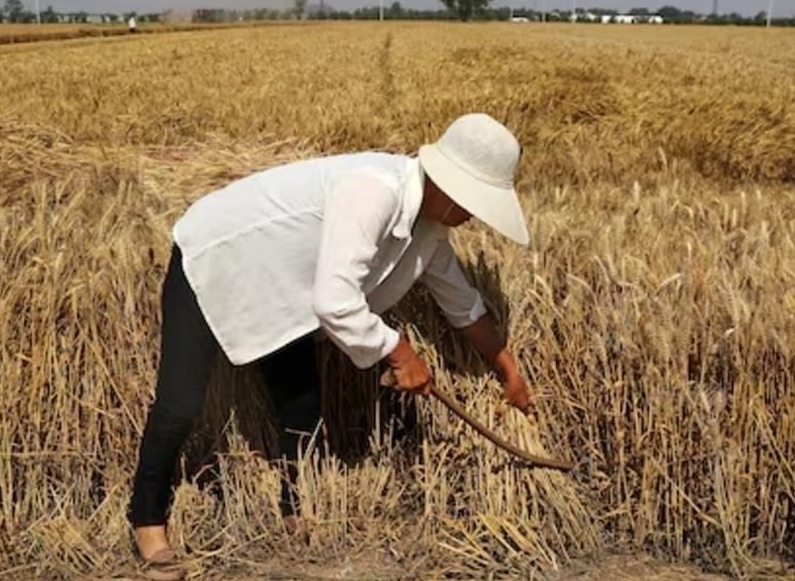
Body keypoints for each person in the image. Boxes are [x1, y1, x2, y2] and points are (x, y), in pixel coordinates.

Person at [128, 113, 533, 580]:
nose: (475, 216)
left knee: (301, 401)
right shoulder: (375, 189)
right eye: (475, 202)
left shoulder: (430, 230)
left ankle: (293, 505)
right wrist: (400, 353)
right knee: (180, 402)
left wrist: (508, 369)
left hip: (287, 285)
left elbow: (463, 306)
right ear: (449, 185)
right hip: (217, 258)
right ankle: (148, 521)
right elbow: (335, 299)